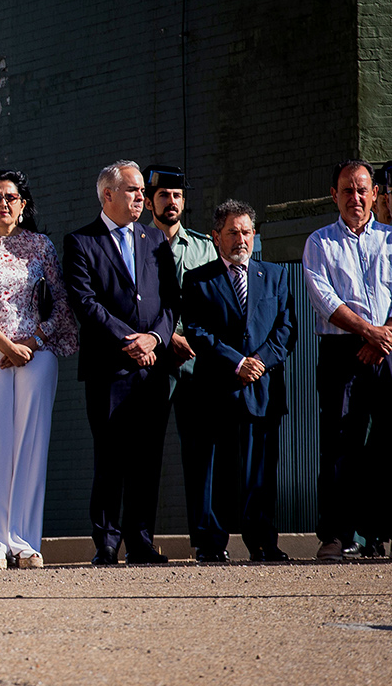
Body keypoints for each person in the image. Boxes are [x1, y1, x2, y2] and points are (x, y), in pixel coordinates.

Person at [0, 171, 77, 567]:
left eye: (11, 197)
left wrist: (31, 343)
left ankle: (24, 542)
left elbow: (60, 303)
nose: (3, 204)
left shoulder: (40, 246)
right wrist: (6, 345)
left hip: (36, 353)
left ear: (23, 205)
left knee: (31, 446)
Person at [63, 160, 176, 566]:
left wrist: (155, 338)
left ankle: (141, 540)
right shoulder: (81, 241)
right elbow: (85, 302)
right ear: (107, 195)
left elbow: (170, 301)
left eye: (142, 190)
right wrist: (129, 339)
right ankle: (107, 542)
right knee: (110, 456)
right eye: (132, 189)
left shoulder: (154, 239)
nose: (141, 197)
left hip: (152, 368)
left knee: (147, 458)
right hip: (110, 368)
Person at [182, 201, 295, 563]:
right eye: (232, 232)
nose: (240, 239)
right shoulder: (199, 279)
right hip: (218, 388)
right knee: (214, 471)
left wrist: (259, 362)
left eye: (246, 232)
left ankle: (262, 541)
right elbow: (198, 331)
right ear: (217, 237)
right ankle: (211, 544)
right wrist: (237, 362)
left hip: (262, 388)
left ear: (255, 235)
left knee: (260, 471)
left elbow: (286, 329)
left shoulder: (275, 275)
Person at [300, 159, 392, 562]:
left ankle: (377, 532)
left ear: (375, 194)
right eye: (346, 190)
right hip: (342, 351)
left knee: (389, 441)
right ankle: (336, 535)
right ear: (334, 196)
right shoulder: (318, 242)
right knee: (340, 444)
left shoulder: (391, 239)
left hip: (389, 345)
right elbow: (324, 299)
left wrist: (383, 334)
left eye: (362, 190)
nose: (354, 197)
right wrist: (367, 332)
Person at [142, 164, 217, 555]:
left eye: (177, 196)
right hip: (153, 363)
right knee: (146, 455)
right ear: (150, 201)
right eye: (163, 195)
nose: (171, 202)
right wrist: (166, 336)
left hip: (196, 366)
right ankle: (142, 542)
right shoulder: (138, 244)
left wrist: (192, 339)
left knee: (200, 453)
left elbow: (215, 303)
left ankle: (205, 541)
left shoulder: (205, 247)